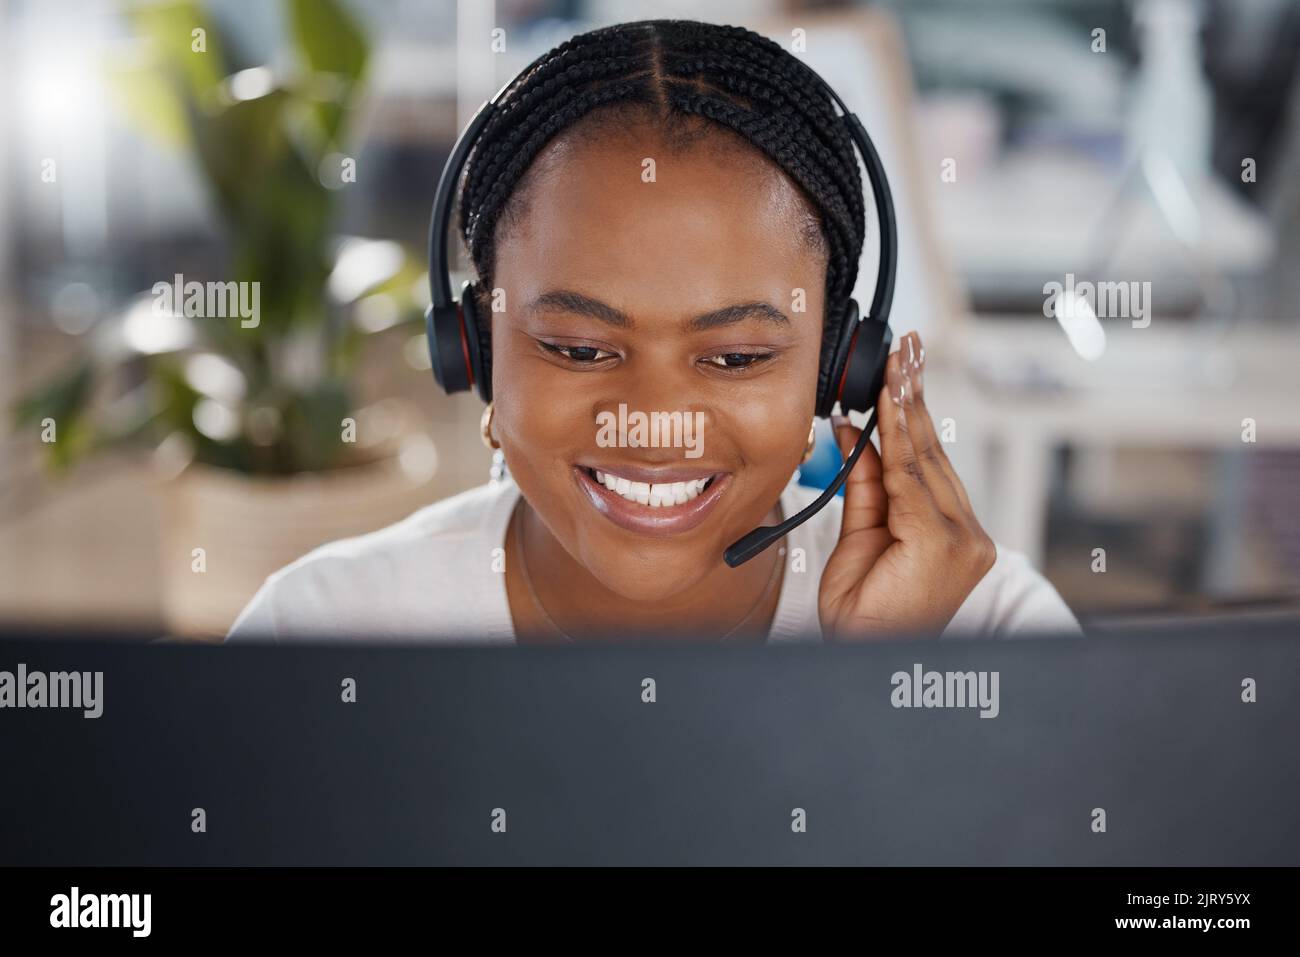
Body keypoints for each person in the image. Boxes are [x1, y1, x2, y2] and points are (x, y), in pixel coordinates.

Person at [227, 19, 1080, 645]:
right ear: (477, 351)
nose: (652, 416)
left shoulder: (986, 629)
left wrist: (885, 689)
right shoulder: (319, 635)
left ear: (835, 369)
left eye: (737, 357)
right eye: (579, 347)